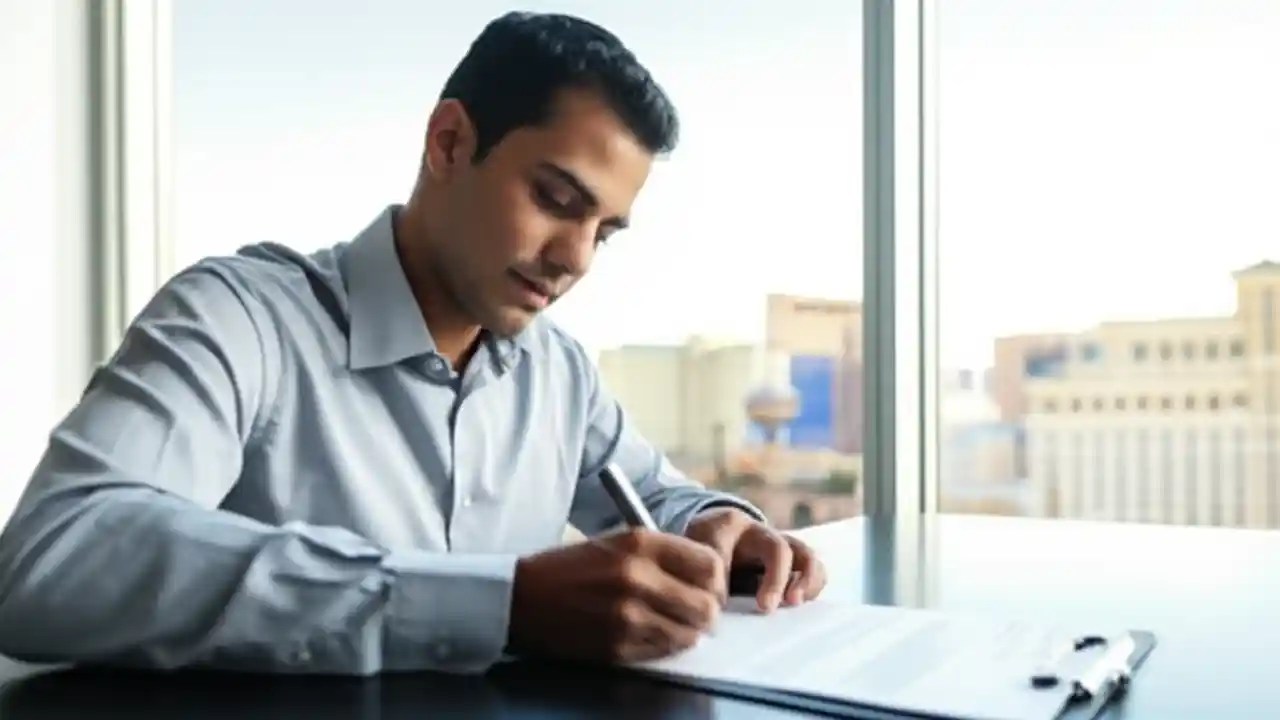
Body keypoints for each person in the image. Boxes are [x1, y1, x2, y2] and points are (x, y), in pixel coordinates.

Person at [0, 11, 827, 675]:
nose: (574, 259)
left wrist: (723, 522)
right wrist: (502, 602)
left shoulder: (557, 371)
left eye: (602, 231)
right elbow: (50, 561)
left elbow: (656, 495)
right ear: (449, 143)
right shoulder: (237, 319)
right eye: (553, 197)